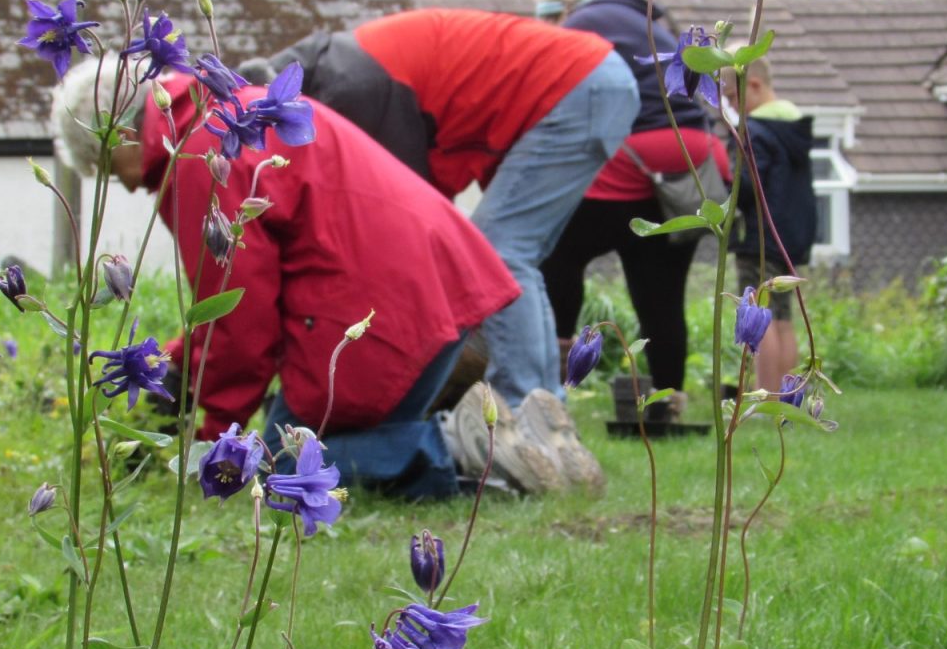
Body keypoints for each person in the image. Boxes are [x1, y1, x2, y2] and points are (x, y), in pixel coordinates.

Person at [53, 59, 600, 498]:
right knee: (301, 441)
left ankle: (458, 449)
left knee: (272, 472)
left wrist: (211, 443)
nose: (121, 187)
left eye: (106, 168)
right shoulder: (232, 110)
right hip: (433, 285)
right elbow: (237, 303)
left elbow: (238, 317)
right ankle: (507, 441)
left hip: (374, 318)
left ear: (118, 133)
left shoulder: (200, 158)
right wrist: (175, 364)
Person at [263, 8, 642, 413]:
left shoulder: (351, 86)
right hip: (590, 83)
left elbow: (402, 217)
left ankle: (525, 414)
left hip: (576, 87)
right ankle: (543, 406)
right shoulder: (350, 69)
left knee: (499, 255)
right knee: (511, 257)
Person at [537, 0, 731, 418]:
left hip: (634, 150)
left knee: (559, 254)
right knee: (662, 293)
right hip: (694, 151)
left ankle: (554, 384)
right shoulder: (657, 29)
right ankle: (668, 402)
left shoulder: (582, 22)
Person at [727, 56, 817, 392]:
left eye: (733, 99)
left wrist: (727, 169)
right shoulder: (793, 128)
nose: (732, 108)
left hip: (761, 237)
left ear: (754, 85)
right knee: (782, 317)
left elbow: (748, 187)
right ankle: (786, 393)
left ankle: (764, 395)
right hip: (792, 235)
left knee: (760, 316)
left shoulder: (757, 131)